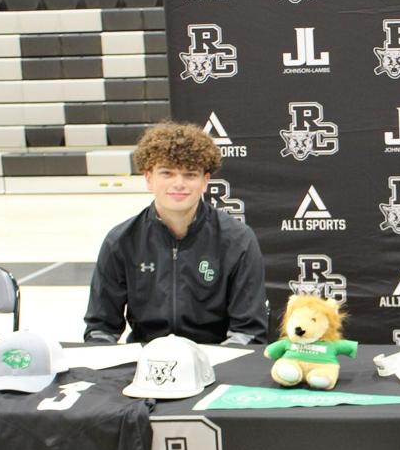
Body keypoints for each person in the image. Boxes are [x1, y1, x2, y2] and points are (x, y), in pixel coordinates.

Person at [83, 122, 267, 345]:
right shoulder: (121, 241)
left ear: (205, 181)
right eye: (167, 173)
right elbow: (101, 328)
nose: (179, 184)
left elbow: (248, 331)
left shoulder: (237, 240)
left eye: (190, 174)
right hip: (145, 362)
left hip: (214, 360)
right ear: (149, 178)